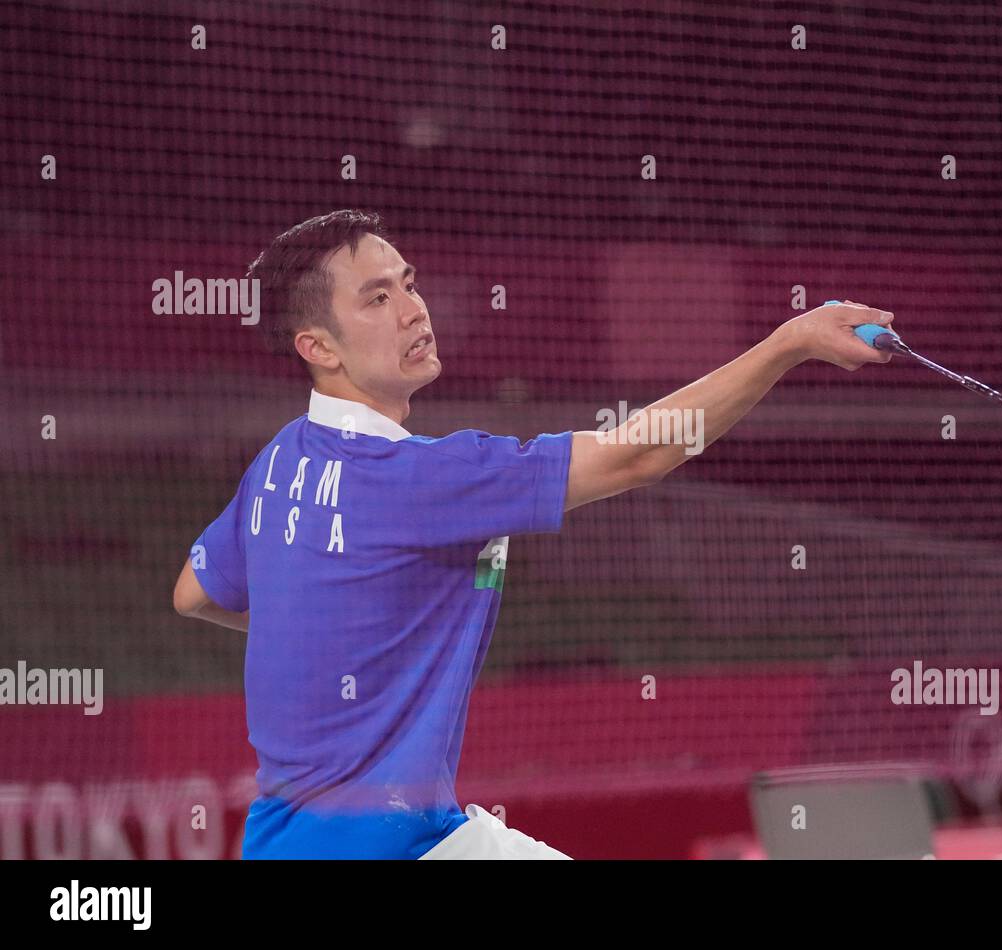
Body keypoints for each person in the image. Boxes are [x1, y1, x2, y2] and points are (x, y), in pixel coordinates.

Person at [171, 208, 894, 858]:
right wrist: (790, 343)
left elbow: (194, 592)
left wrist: (344, 617)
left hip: (332, 843)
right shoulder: (429, 477)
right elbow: (643, 449)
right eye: (377, 298)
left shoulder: (278, 465)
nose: (413, 309)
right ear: (318, 347)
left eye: (409, 283)